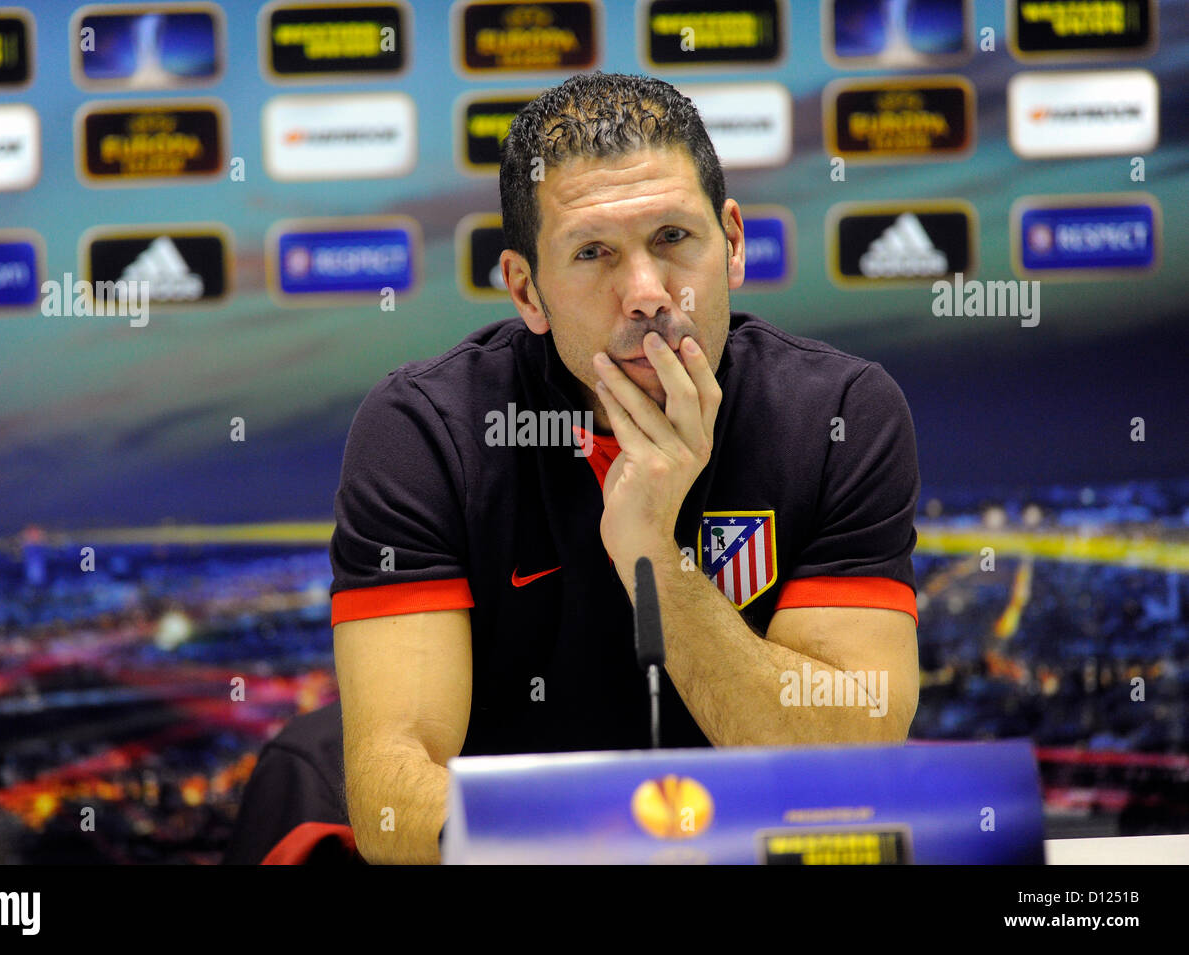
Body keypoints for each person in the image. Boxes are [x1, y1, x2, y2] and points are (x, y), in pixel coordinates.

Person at [328, 71, 921, 864]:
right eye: (594, 252)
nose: (645, 294)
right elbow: (392, 800)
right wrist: (611, 847)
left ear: (734, 244)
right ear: (527, 291)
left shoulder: (841, 416)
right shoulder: (425, 432)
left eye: (673, 238)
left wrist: (652, 558)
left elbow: (851, 759)